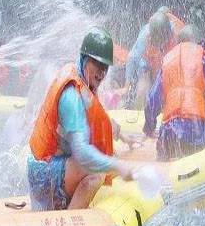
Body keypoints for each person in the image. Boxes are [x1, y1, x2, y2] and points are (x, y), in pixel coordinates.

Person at [27, 28, 137, 210]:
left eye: (105, 67)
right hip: (43, 174)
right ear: (85, 59)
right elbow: (83, 154)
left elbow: (99, 120)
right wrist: (119, 166)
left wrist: (123, 137)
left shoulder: (83, 80)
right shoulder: (72, 97)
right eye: (97, 64)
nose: (101, 72)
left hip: (54, 165)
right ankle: (71, 221)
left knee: (108, 158)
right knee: (97, 173)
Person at [143, 25, 205, 160]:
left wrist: (149, 128)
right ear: (198, 42)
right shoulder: (201, 57)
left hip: (168, 133)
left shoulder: (167, 61)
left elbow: (152, 101)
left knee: (165, 159)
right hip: (195, 130)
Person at [124, 9, 181, 108]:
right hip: (146, 64)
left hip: (165, 65)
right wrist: (126, 86)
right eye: (157, 41)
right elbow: (132, 59)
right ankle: (139, 111)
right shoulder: (144, 36)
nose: (160, 44)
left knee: (167, 92)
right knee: (142, 91)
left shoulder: (175, 35)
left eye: (162, 40)